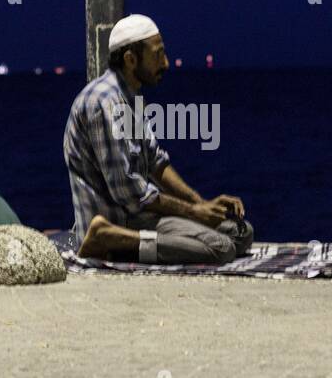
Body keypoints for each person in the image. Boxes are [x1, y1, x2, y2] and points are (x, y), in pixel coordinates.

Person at [63, 14, 253, 264]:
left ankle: (125, 242)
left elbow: (154, 162)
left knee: (241, 233)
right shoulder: (104, 103)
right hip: (119, 220)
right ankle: (106, 240)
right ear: (131, 60)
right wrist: (194, 212)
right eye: (157, 55)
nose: (165, 63)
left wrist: (202, 204)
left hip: (140, 215)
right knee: (222, 248)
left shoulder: (130, 98)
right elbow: (130, 194)